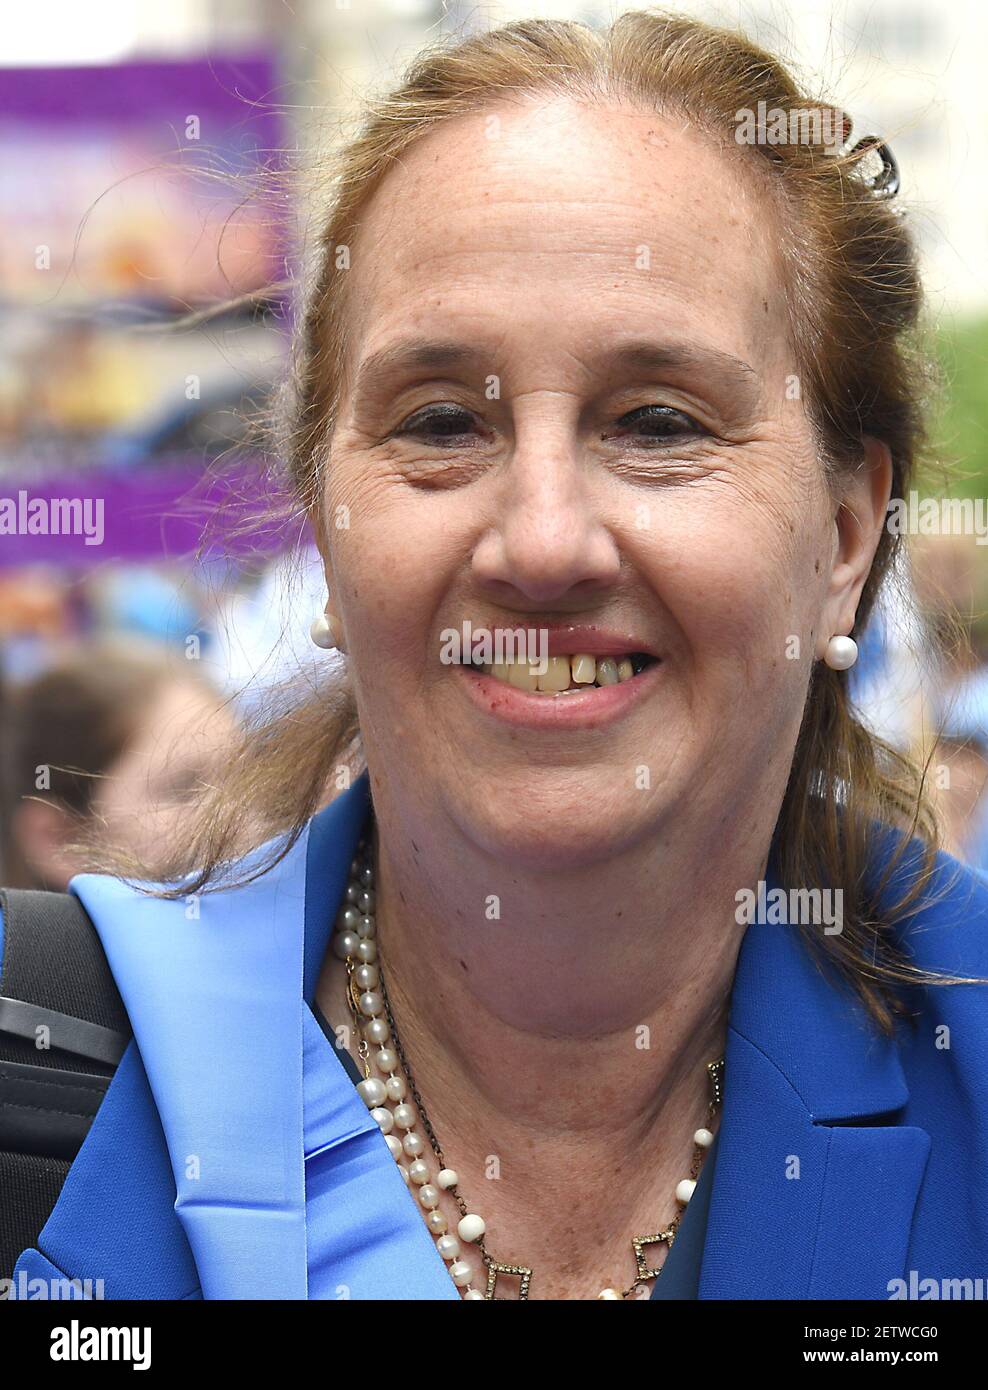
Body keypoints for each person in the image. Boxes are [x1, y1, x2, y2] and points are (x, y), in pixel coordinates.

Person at [3, 12, 987, 1302]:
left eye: (656, 422)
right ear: (325, 527)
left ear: (846, 538)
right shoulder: (39, 1062)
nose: (541, 541)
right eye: (441, 423)